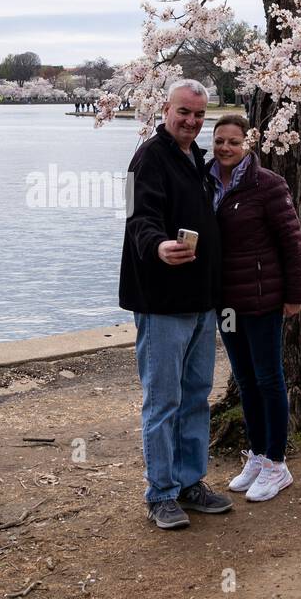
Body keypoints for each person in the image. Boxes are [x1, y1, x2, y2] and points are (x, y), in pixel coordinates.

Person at [119, 80, 231, 529]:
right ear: (166, 109)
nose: (191, 121)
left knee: (197, 397)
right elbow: (135, 216)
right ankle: (160, 493)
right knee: (163, 399)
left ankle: (190, 482)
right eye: (184, 112)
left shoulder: (198, 160)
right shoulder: (146, 157)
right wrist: (158, 246)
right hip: (161, 301)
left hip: (202, 301)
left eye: (199, 115)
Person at [207, 114, 301, 503]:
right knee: (244, 380)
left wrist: (295, 295)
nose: (225, 148)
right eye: (220, 141)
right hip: (227, 302)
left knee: (269, 379)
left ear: (248, 144)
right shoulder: (208, 181)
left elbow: (292, 243)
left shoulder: (268, 185)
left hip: (263, 299)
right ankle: (258, 453)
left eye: (233, 142)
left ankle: (277, 463)